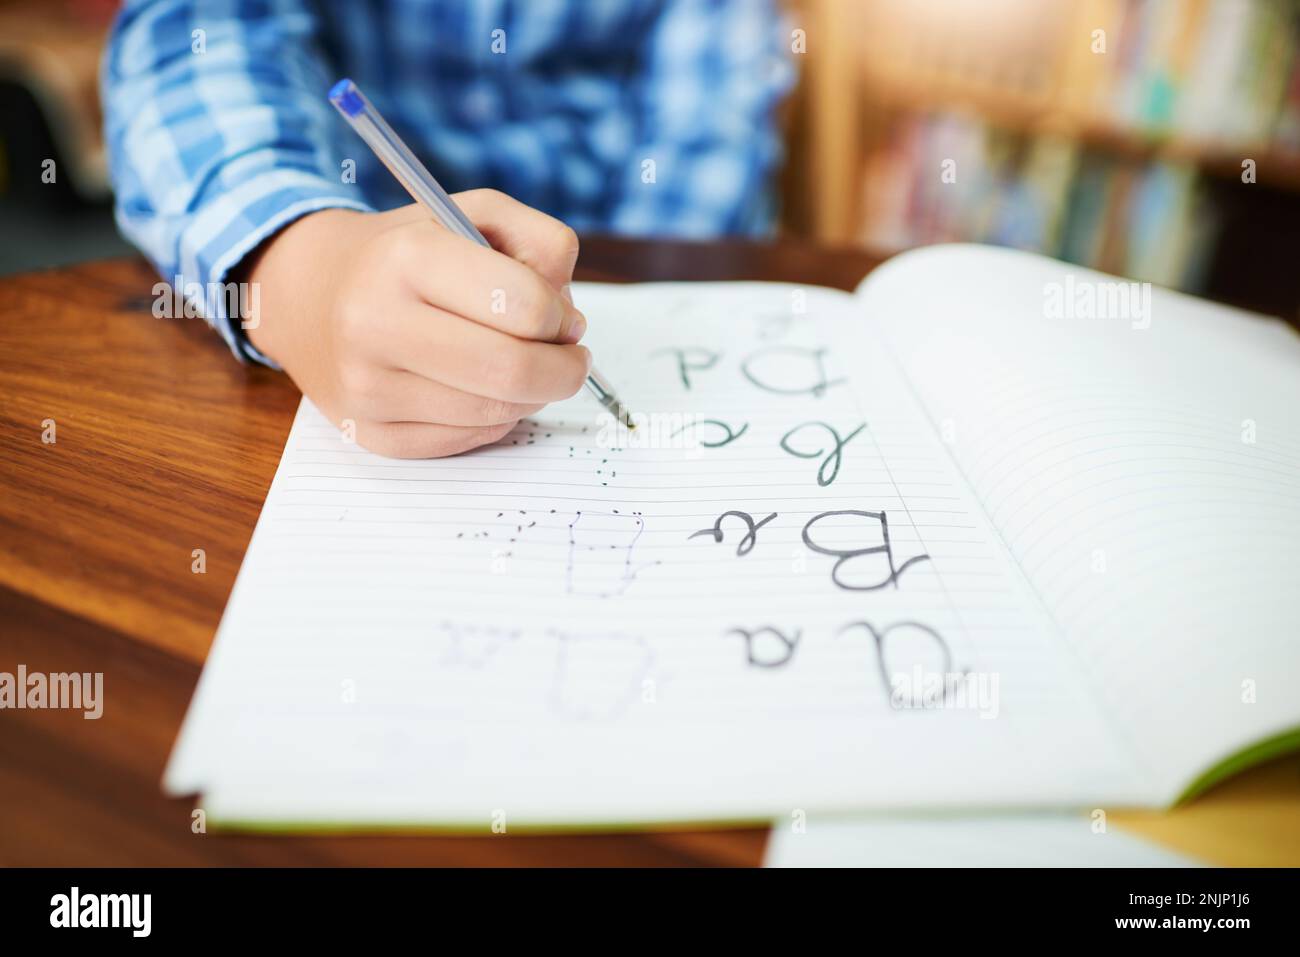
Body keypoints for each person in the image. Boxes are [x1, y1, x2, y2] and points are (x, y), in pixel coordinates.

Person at [101, 0, 793, 457]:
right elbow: (191, 41)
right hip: (362, 257)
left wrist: (624, 292)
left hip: (635, 261)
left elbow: (709, 128)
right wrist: (297, 266)